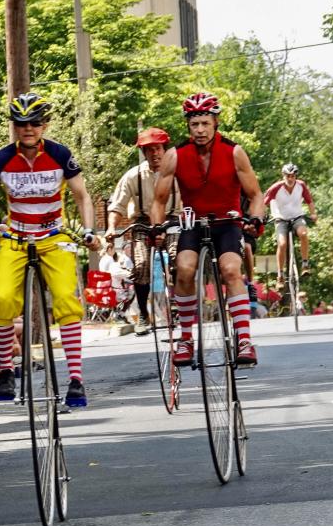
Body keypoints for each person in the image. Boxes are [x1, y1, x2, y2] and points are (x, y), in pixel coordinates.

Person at [0, 92, 101, 407]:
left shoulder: (60, 155)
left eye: (35, 123)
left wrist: (90, 230)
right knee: (0, 300)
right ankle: (7, 371)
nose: (28, 129)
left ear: (45, 125)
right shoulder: (1, 158)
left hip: (54, 236)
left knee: (67, 298)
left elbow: (82, 195)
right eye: (21, 124)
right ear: (14, 126)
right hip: (15, 236)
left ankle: (77, 380)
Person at [150, 92, 266, 367]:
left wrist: (256, 218)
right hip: (192, 222)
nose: (200, 130)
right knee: (185, 267)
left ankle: (244, 338)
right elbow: (159, 200)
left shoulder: (234, 152)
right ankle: (186, 338)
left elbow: (256, 194)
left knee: (230, 270)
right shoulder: (175, 156)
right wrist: (157, 227)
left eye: (205, 123)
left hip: (227, 223)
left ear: (216, 122)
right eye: (194, 124)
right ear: (188, 126)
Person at [107, 127, 181, 336]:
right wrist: (112, 228)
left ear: (165, 149)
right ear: (143, 152)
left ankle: (177, 303)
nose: (155, 154)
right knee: (140, 265)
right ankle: (142, 313)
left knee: (179, 258)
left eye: (158, 149)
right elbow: (117, 205)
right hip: (143, 223)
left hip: (172, 219)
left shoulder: (179, 171)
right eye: (149, 150)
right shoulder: (133, 176)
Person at [263, 162, 317, 282]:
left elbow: (309, 201)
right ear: (284, 176)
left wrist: (313, 213)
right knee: (282, 244)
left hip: (297, 216)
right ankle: (280, 274)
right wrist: (262, 216)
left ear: (296, 176)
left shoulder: (301, 186)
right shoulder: (276, 188)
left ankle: (305, 264)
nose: (291, 178)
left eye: (293, 176)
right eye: (288, 176)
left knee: (303, 234)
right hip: (281, 218)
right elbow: (263, 203)